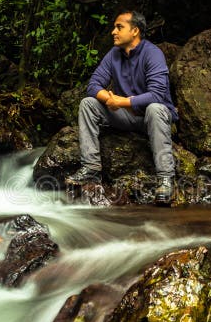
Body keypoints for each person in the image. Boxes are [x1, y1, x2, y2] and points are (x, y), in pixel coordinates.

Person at [65, 10, 177, 205]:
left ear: (135, 31)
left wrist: (122, 102)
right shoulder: (114, 54)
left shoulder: (153, 54)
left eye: (119, 27)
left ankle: (166, 179)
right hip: (125, 116)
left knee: (155, 108)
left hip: (153, 119)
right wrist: (109, 99)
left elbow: (157, 95)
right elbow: (93, 85)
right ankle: (91, 168)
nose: (113, 32)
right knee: (88, 104)